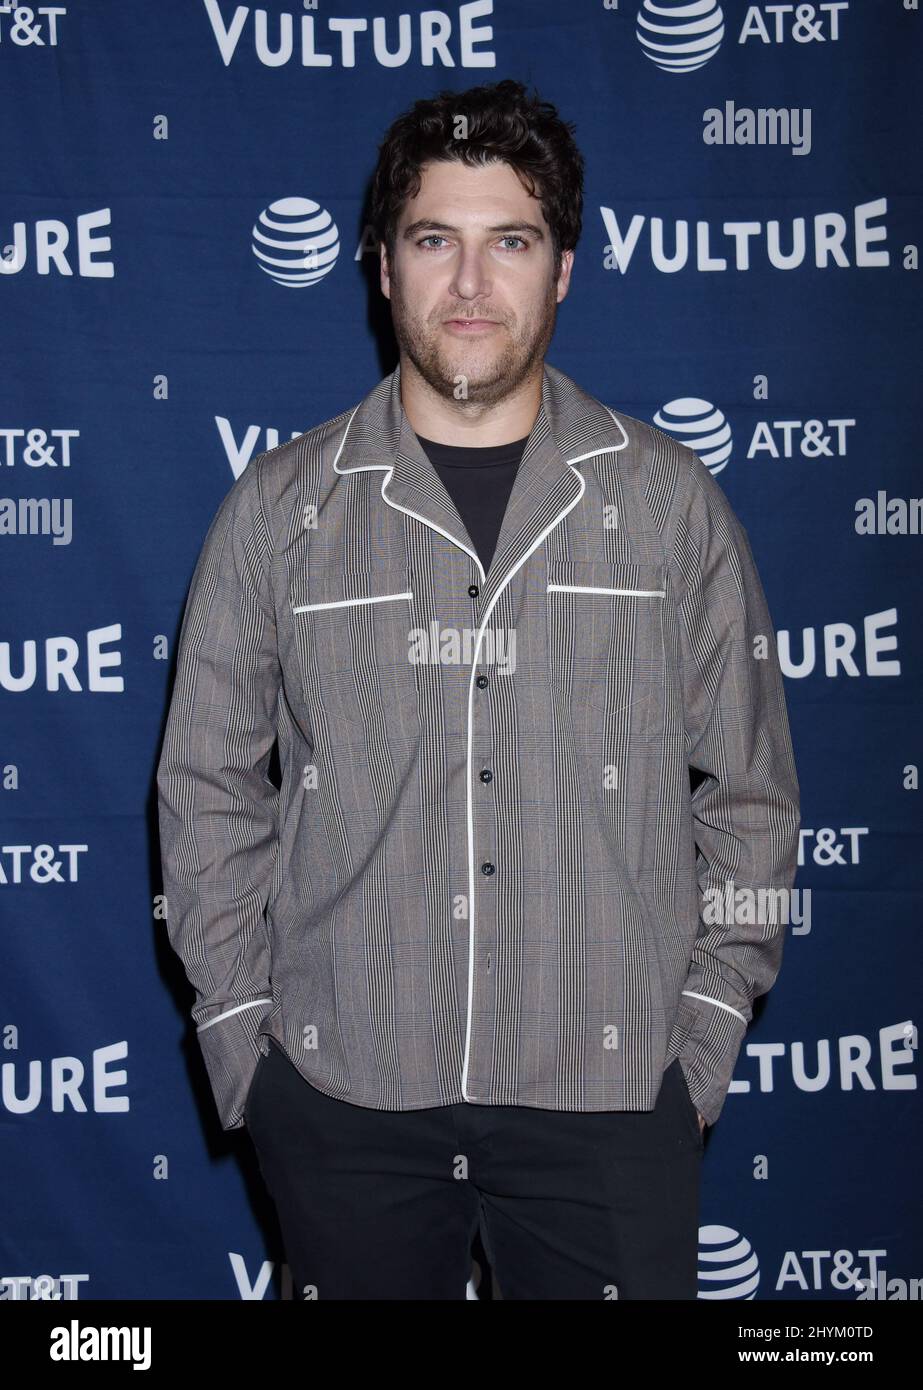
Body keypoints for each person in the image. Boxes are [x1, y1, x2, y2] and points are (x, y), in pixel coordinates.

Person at [156, 79, 800, 1300]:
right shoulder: (277, 514)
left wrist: (698, 1048)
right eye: (431, 240)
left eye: (509, 240)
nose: (468, 283)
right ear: (379, 267)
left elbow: (752, 798)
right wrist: (249, 1050)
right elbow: (204, 793)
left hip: (609, 1103)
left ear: (561, 269)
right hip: (346, 1094)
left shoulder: (668, 510)